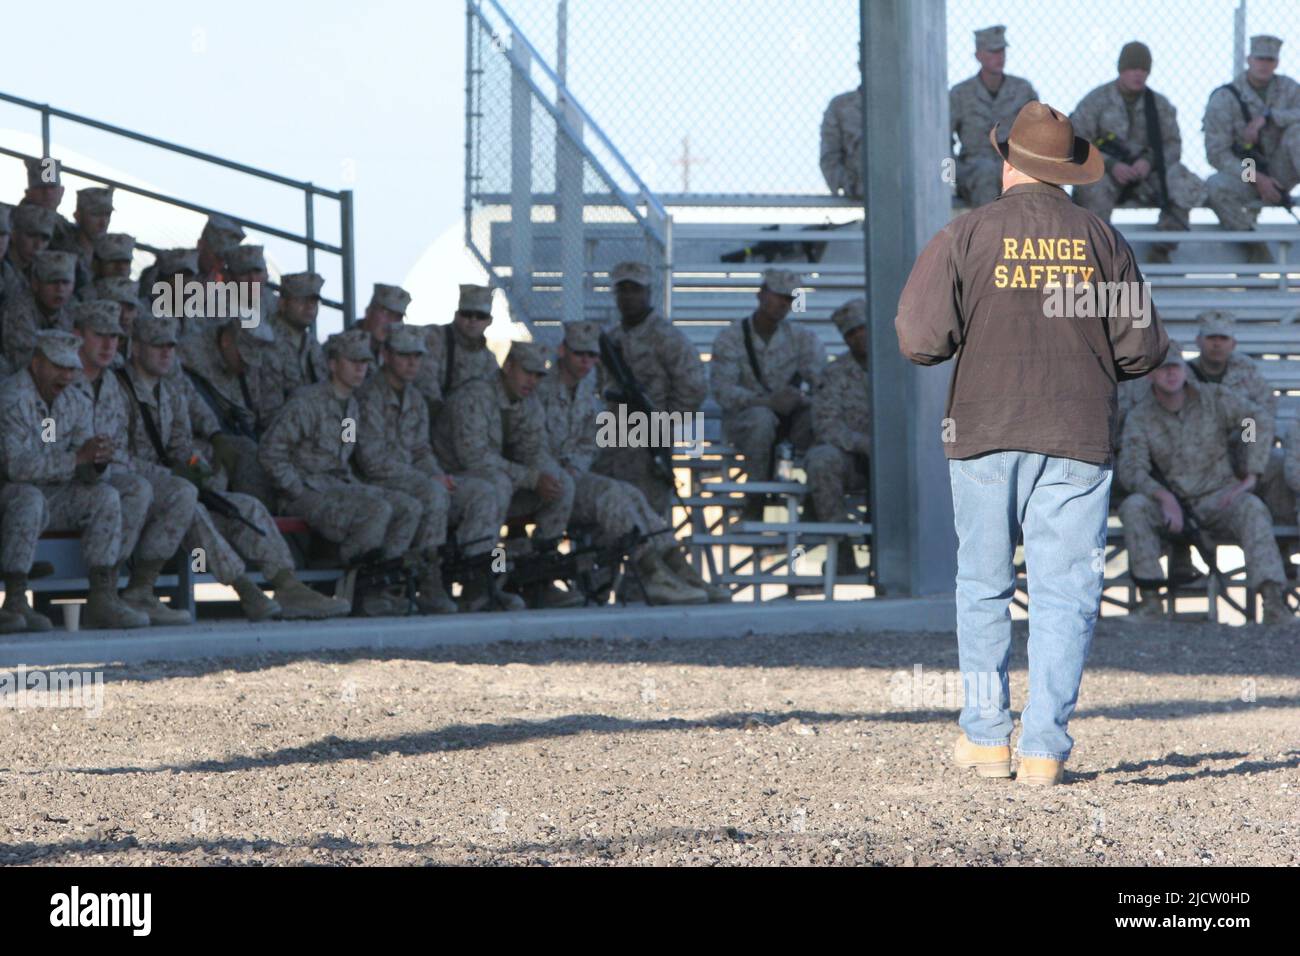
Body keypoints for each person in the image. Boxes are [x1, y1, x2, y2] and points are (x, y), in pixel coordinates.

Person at [895, 102, 1169, 786]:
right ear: (1067, 171)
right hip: (1077, 435)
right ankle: (1044, 748)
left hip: (983, 431)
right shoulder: (1102, 239)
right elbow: (1144, 350)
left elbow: (919, 340)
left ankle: (987, 740)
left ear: (1005, 160)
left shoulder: (966, 233)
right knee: (1064, 593)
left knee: (983, 586)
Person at [121, 315, 349, 621]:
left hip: (175, 491)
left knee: (246, 507)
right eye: (157, 345)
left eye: (171, 346)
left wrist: (200, 470)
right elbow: (117, 458)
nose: (166, 353)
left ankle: (288, 585)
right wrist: (175, 477)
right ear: (136, 349)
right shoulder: (118, 388)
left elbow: (180, 449)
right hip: (139, 494)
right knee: (191, 505)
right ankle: (245, 590)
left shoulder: (170, 392)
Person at [537, 320, 727, 604]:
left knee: (633, 495)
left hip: (573, 476)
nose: (586, 362)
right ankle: (651, 573)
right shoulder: (540, 390)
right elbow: (528, 444)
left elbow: (589, 442)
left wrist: (575, 466)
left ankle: (679, 568)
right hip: (547, 481)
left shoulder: (586, 395)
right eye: (579, 355)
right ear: (562, 350)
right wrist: (561, 471)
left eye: (592, 356)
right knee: (612, 496)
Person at [1118, 341, 1288, 623]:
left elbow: (1255, 418)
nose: (1170, 374)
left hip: (1220, 496)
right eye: (1163, 369)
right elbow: (1131, 468)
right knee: (1134, 507)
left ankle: (1272, 603)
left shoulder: (1214, 398)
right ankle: (1150, 602)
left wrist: (1250, 472)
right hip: (1172, 506)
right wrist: (1162, 496)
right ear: (1150, 375)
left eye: (1175, 367)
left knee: (1252, 507)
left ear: (1185, 369)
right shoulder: (1141, 416)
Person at [259, 328, 423, 616]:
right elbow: (271, 452)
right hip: (306, 492)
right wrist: (296, 488)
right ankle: (356, 588)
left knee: (408, 507)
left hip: (339, 486)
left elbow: (344, 456)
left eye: (365, 362)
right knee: (376, 510)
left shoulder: (352, 406)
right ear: (333, 364)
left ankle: (381, 586)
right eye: (353, 361)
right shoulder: (307, 402)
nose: (361, 368)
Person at [0, 330, 150, 629]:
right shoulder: (12, 398)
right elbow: (16, 467)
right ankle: (15, 600)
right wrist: (76, 459)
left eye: (71, 368)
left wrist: (97, 461)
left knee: (105, 495)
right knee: (28, 498)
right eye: (58, 367)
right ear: (37, 362)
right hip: (11, 496)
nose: (66, 376)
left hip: (53, 496)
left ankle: (103, 596)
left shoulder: (74, 401)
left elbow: (85, 461)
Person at [354, 323, 506, 614]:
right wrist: (429, 479)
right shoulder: (367, 396)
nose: (413, 363)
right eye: (404, 355)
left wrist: (439, 474)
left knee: (483, 491)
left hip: (417, 478)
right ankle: (429, 580)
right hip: (379, 480)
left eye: (418, 356)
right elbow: (371, 460)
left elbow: (422, 450)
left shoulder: (414, 399)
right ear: (386, 354)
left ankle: (478, 580)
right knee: (433, 492)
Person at [433, 341, 579, 608]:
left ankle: (536, 574)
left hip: (500, 481)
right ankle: (477, 583)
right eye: (527, 372)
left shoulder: (528, 401)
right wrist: (532, 479)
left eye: (538, 375)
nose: (532, 381)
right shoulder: (476, 396)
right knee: (495, 485)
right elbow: (474, 458)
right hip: (453, 481)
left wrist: (549, 475)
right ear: (508, 366)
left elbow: (534, 450)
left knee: (562, 484)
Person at [1070, 42, 1206, 263]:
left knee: (1186, 183)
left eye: (1143, 69)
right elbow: (1076, 142)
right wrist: (1110, 164)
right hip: (1106, 174)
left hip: (1148, 177)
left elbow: (1173, 144)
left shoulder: (1159, 105)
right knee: (1090, 187)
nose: (1138, 74)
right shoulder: (1096, 101)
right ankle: (1096, 256)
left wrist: (1149, 161)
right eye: (1132, 68)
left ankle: (1162, 249)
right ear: (1121, 70)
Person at [592, 261, 707, 520]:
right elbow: (600, 385)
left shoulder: (667, 337)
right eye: (623, 290)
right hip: (613, 433)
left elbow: (694, 387)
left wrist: (663, 423)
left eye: (636, 290)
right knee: (607, 514)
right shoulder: (611, 340)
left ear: (647, 293)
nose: (629, 297)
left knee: (648, 518)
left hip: (649, 435)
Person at [709, 268, 826, 505]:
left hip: (791, 422)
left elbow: (823, 384)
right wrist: (766, 402)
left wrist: (800, 398)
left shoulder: (802, 338)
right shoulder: (730, 338)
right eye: (778, 295)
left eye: (789, 298)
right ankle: (756, 496)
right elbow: (723, 391)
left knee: (823, 417)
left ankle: (817, 498)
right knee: (761, 419)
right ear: (761, 294)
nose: (782, 303)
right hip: (746, 422)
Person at [1203, 35, 1300, 262]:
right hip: (1247, 172)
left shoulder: (1289, 90)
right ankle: (1254, 247)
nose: (1264, 65)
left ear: (1276, 63)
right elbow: (1217, 154)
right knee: (1215, 185)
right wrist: (1256, 178)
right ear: (1249, 59)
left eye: (1269, 59)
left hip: (1283, 169)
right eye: (1259, 59)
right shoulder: (1224, 97)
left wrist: (1270, 117)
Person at [804, 298, 870, 573]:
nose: (858, 337)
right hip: (854, 460)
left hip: (898, 461)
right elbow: (825, 424)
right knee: (821, 459)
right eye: (850, 333)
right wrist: (862, 444)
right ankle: (841, 548)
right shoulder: (834, 373)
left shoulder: (904, 366)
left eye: (861, 328)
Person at [949, 25, 1038, 209]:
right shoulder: (960, 94)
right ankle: (989, 236)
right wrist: (950, 179)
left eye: (1002, 51)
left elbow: (1038, 131)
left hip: (1014, 163)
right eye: (993, 51)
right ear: (978, 56)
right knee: (986, 174)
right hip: (975, 168)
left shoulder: (1022, 90)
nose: (1000, 57)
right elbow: (943, 141)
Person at [414, 283, 502, 423]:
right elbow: (427, 390)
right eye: (467, 314)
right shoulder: (434, 338)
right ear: (456, 315)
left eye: (480, 316)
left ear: (489, 321)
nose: (473, 320)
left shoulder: (488, 359)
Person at [2, 250, 77, 375]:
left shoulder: (71, 309)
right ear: (36, 284)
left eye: (65, 282)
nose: (60, 289)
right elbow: (24, 362)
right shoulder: (18, 310)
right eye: (52, 281)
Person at [267, 271, 328, 401]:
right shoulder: (266, 340)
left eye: (314, 301)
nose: (310, 306)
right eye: (302, 300)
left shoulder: (313, 345)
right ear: (282, 303)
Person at [820, 56, 863, 199]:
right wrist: (853, 186)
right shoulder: (841, 107)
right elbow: (829, 159)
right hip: (857, 198)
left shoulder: (907, 108)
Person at [357, 283, 410, 359]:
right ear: (368, 312)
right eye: (386, 313)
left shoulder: (393, 354)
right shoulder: (343, 349)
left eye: (398, 317)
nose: (391, 322)